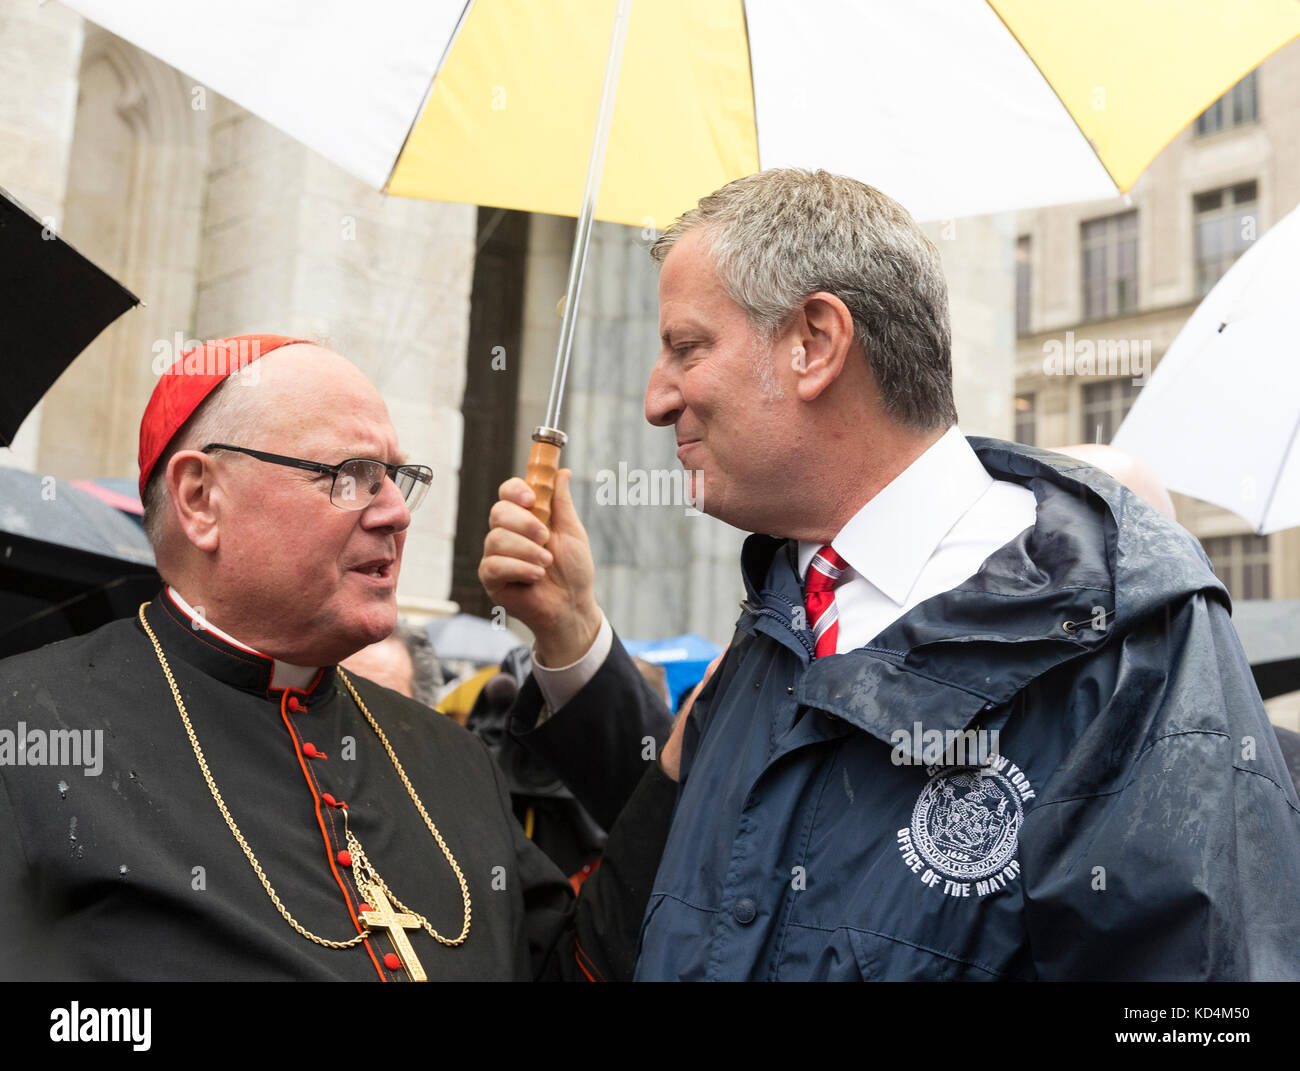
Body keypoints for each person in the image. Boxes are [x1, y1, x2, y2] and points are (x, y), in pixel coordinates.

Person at [481, 169, 1300, 981]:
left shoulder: (1134, 644)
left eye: (686, 348)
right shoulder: (778, 619)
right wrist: (572, 633)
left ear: (815, 344)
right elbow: (691, 875)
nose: (658, 399)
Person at [0, 335, 672, 982]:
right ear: (202, 498)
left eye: (396, 478)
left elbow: (582, 964)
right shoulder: (29, 733)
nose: (395, 513)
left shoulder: (452, 759)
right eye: (351, 475)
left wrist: (574, 628)